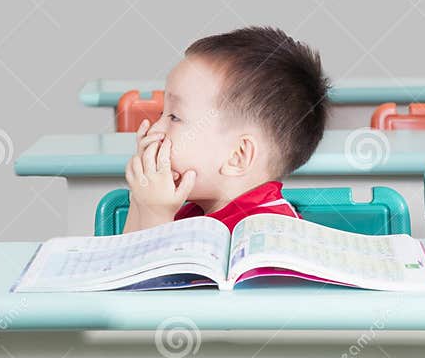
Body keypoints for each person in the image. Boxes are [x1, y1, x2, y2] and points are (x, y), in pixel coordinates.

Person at [123, 26, 330, 233]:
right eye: (161, 114)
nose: (155, 130)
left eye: (174, 117)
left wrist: (155, 214)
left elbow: (157, 265)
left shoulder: (270, 234)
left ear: (237, 156)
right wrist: (141, 202)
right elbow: (121, 260)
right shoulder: (189, 212)